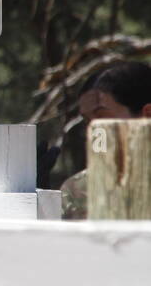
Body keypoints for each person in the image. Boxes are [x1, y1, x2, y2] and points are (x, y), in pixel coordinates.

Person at [60, 60, 151, 220]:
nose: (94, 131)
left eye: (103, 118)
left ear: (147, 115)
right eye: (88, 121)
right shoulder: (77, 190)